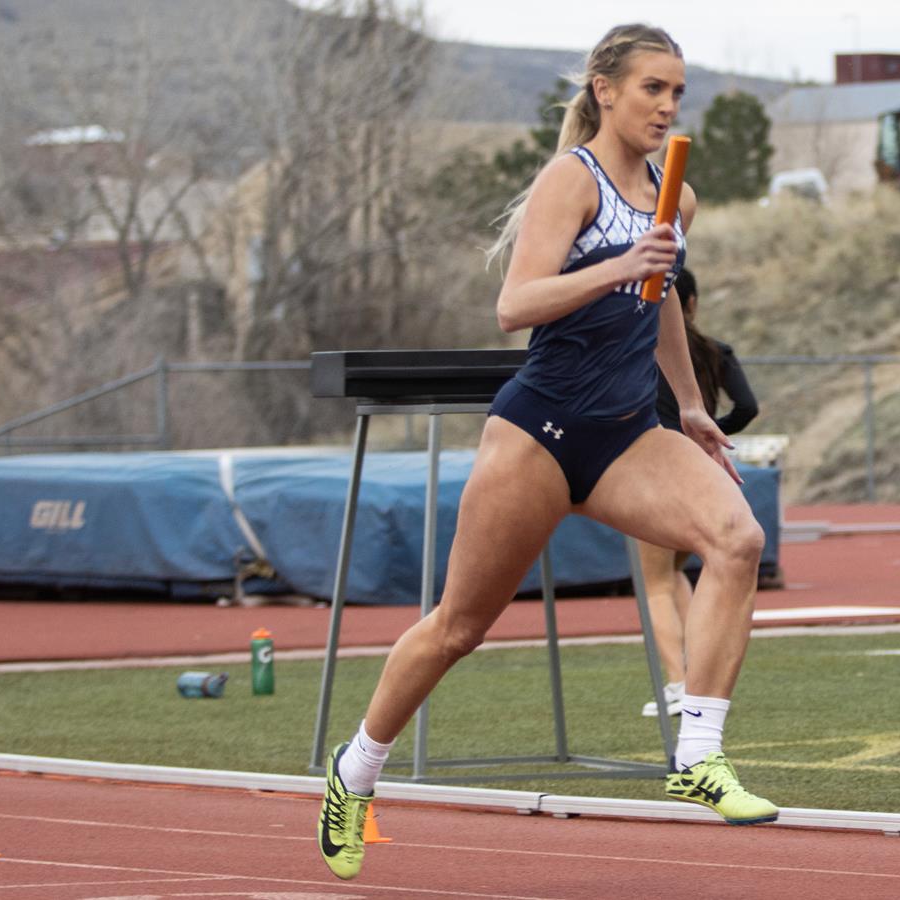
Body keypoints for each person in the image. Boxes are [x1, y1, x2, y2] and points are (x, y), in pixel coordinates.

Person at [315, 24, 777, 883]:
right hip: (540, 432)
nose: (668, 105)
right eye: (652, 89)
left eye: (677, 91)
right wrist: (619, 263)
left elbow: (663, 299)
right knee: (458, 629)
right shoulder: (572, 179)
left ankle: (699, 753)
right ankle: (356, 771)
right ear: (605, 89)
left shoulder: (678, 194)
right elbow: (515, 304)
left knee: (737, 539)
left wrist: (687, 407)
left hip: (626, 432)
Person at [635, 266, 759, 717]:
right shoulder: (715, 350)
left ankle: (676, 683)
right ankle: (697, 679)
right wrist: (714, 433)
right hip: (704, 470)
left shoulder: (644, 349)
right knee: (679, 574)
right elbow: (748, 406)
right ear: (692, 304)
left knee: (653, 584)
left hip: (655, 465)